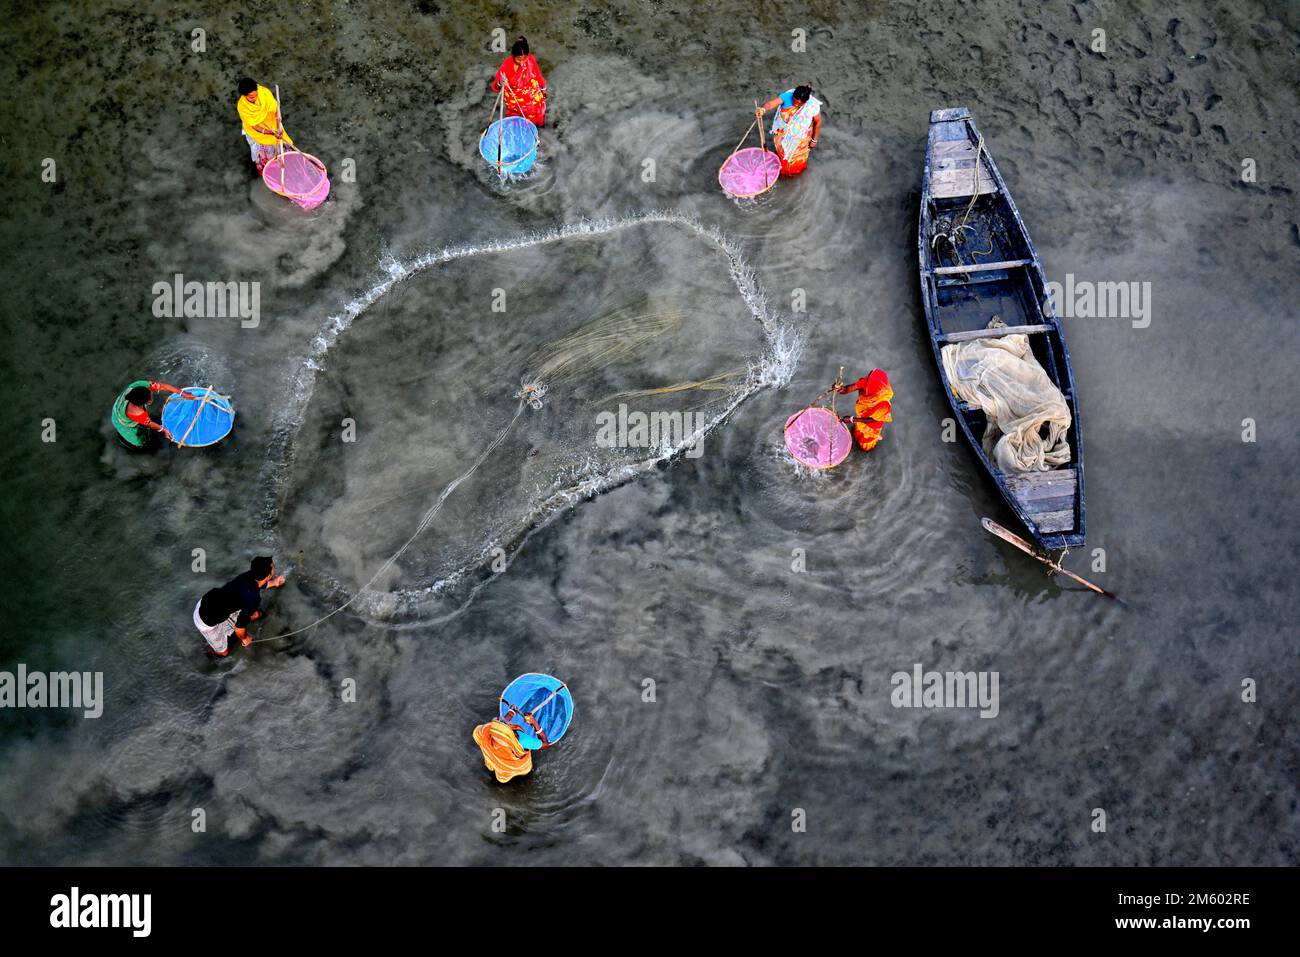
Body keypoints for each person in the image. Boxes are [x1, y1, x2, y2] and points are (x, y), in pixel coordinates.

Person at [193, 556, 287, 657]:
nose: (273, 566)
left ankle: (230, 624)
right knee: (224, 653)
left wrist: (273, 583)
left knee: (256, 614)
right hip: (204, 621)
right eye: (273, 567)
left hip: (209, 601)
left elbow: (258, 584)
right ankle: (208, 652)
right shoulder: (253, 599)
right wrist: (245, 639)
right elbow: (239, 629)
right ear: (268, 576)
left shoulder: (248, 575)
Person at [755, 84, 822, 177]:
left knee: (796, 160)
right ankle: (782, 168)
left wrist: (814, 140)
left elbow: (817, 122)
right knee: (781, 153)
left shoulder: (811, 106)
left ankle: (793, 173)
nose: (796, 104)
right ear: (793, 96)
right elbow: (771, 104)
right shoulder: (787, 96)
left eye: (800, 104)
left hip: (801, 138)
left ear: (805, 102)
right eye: (795, 101)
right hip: (783, 133)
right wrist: (763, 109)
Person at [111, 379, 187, 450]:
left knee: (144, 426)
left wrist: (182, 393)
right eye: (150, 396)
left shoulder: (136, 386)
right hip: (123, 422)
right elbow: (150, 424)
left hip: (119, 408)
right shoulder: (139, 413)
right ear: (144, 403)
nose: (152, 392)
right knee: (140, 441)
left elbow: (162, 386)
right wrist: (164, 430)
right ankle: (129, 443)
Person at [236, 77, 293, 172]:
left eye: (256, 94)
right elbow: (254, 126)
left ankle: (284, 160)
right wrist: (269, 132)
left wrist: (278, 121)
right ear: (244, 96)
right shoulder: (242, 107)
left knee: (281, 141)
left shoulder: (264, 92)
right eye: (251, 97)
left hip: (271, 122)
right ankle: (268, 167)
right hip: (257, 130)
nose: (255, 97)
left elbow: (275, 109)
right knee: (264, 152)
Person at [491, 36, 547, 128]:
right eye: (518, 59)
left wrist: (543, 88)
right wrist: (501, 82)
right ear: (513, 56)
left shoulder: (530, 60)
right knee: (518, 123)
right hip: (516, 103)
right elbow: (495, 87)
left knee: (537, 115)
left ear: (527, 55)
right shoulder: (506, 66)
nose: (522, 63)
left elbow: (538, 75)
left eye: (524, 59)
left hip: (533, 98)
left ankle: (537, 127)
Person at [837, 369, 893, 452]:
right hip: (862, 415)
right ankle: (857, 434)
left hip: (871, 425)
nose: (866, 383)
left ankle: (865, 449)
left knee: (865, 442)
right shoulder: (867, 382)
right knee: (858, 430)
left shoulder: (884, 405)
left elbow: (874, 420)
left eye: (868, 384)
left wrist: (853, 419)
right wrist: (840, 389)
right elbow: (849, 388)